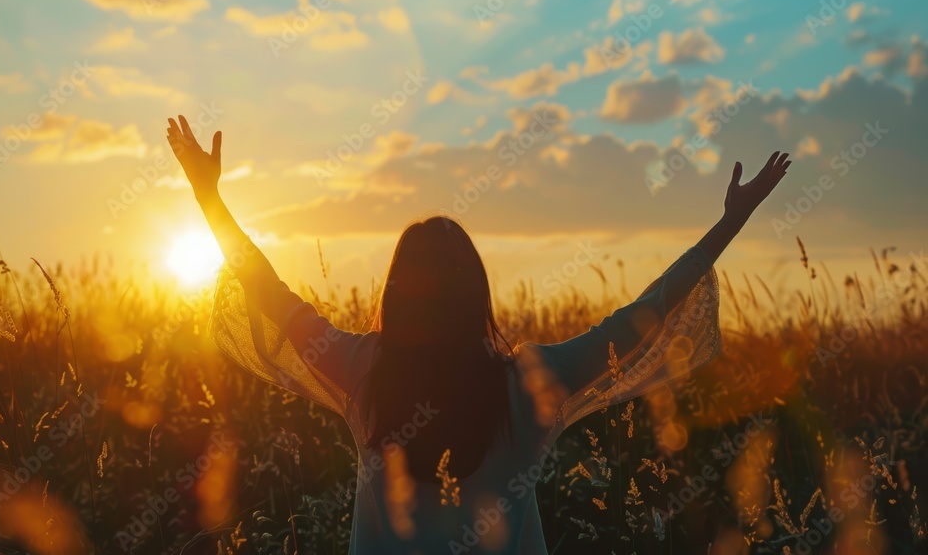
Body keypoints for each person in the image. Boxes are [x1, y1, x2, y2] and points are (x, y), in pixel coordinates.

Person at [166, 115, 791, 554]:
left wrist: (209, 200)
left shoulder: (364, 371)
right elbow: (644, 316)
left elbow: (269, 293)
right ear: (477, 296)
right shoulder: (530, 383)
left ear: (395, 295)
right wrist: (729, 224)